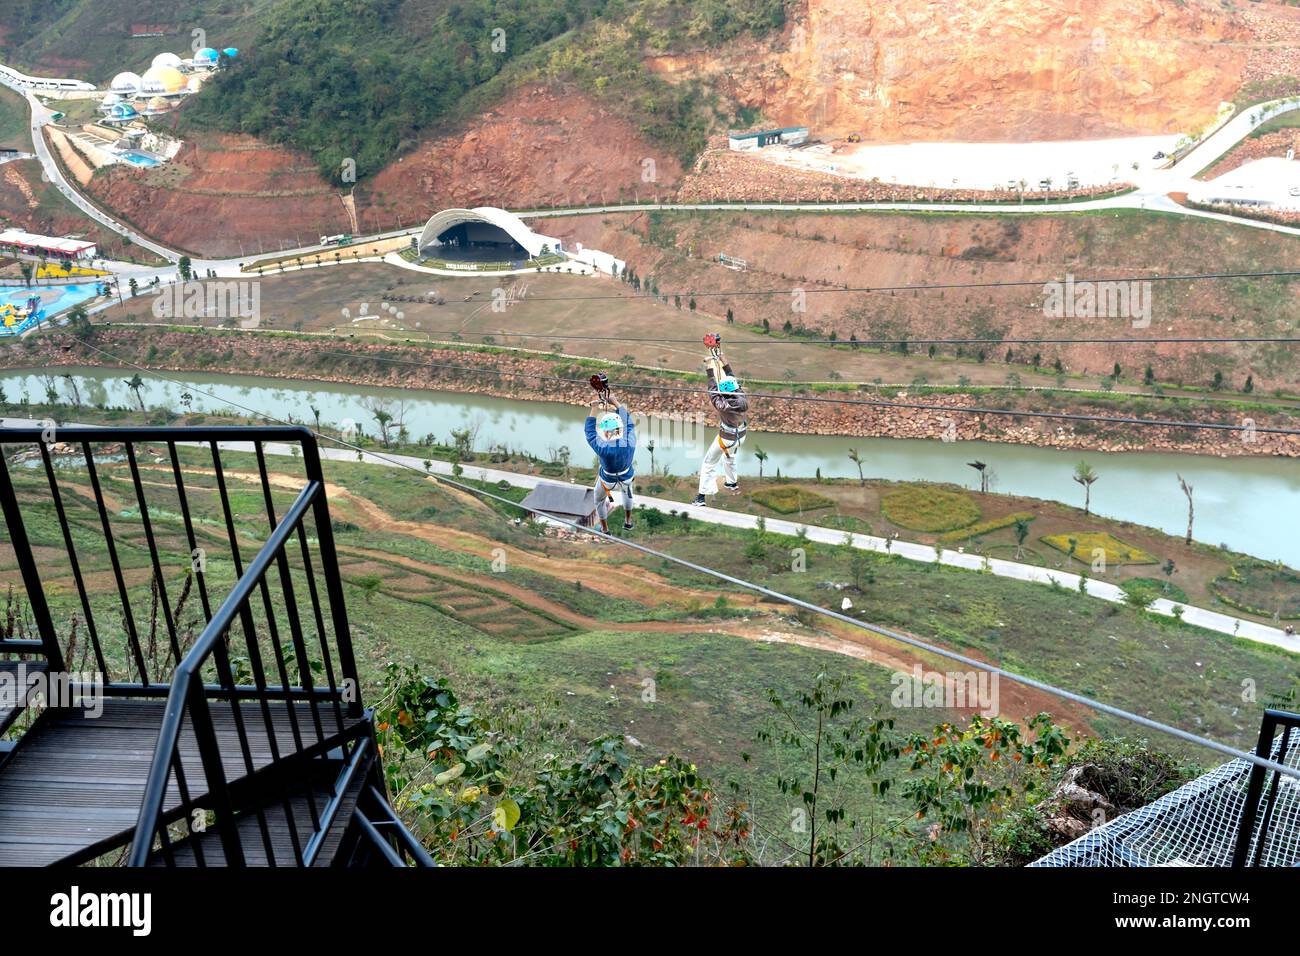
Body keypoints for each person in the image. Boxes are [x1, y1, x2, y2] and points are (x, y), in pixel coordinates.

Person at [693, 347, 748, 507]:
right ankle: (731, 482)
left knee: (709, 463)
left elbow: (712, 389)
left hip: (726, 438)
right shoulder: (742, 397)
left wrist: (709, 366)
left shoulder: (723, 404)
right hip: (741, 436)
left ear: (722, 392)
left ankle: (701, 497)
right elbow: (732, 379)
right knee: (729, 457)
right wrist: (723, 360)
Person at [584, 400, 637, 532]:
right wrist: (615, 402)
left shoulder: (603, 447)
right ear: (620, 429)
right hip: (626, 477)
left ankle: (605, 528)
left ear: (606, 432)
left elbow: (590, 432)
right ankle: (628, 521)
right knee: (628, 494)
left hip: (607, 481)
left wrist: (594, 408)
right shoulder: (630, 441)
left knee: (599, 500)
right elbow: (629, 424)